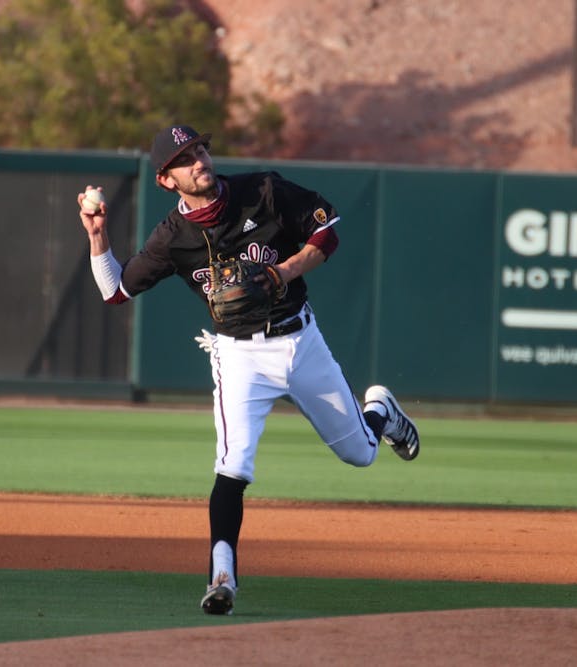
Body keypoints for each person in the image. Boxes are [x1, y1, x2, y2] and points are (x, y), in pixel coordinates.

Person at [78, 124, 420, 616]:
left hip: (301, 341)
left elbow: (327, 232)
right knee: (233, 465)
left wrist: (284, 272)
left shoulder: (262, 191)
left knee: (361, 457)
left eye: (200, 149)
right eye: (184, 157)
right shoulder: (172, 239)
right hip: (239, 356)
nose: (199, 160)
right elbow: (114, 290)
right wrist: (97, 234)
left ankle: (379, 411)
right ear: (166, 180)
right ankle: (223, 578)